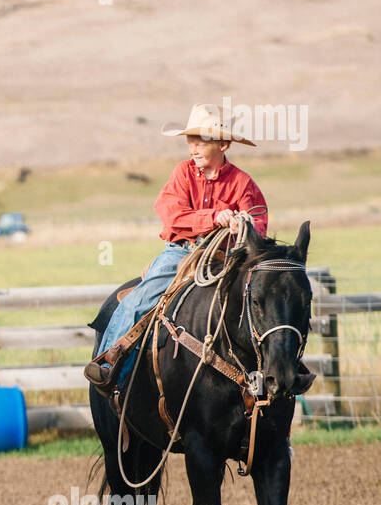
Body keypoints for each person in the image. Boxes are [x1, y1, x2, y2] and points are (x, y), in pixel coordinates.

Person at [84, 103, 269, 394]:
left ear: (223, 144)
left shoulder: (242, 183)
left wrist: (243, 225)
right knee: (139, 300)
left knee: (264, 306)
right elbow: (172, 214)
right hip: (181, 252)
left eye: (201, 142)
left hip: (224, 258)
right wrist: (213, 218)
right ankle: (109, 365)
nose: (193, 149)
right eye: (190, 142)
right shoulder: (182, 173)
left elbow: (259, 225)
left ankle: (270, 377)